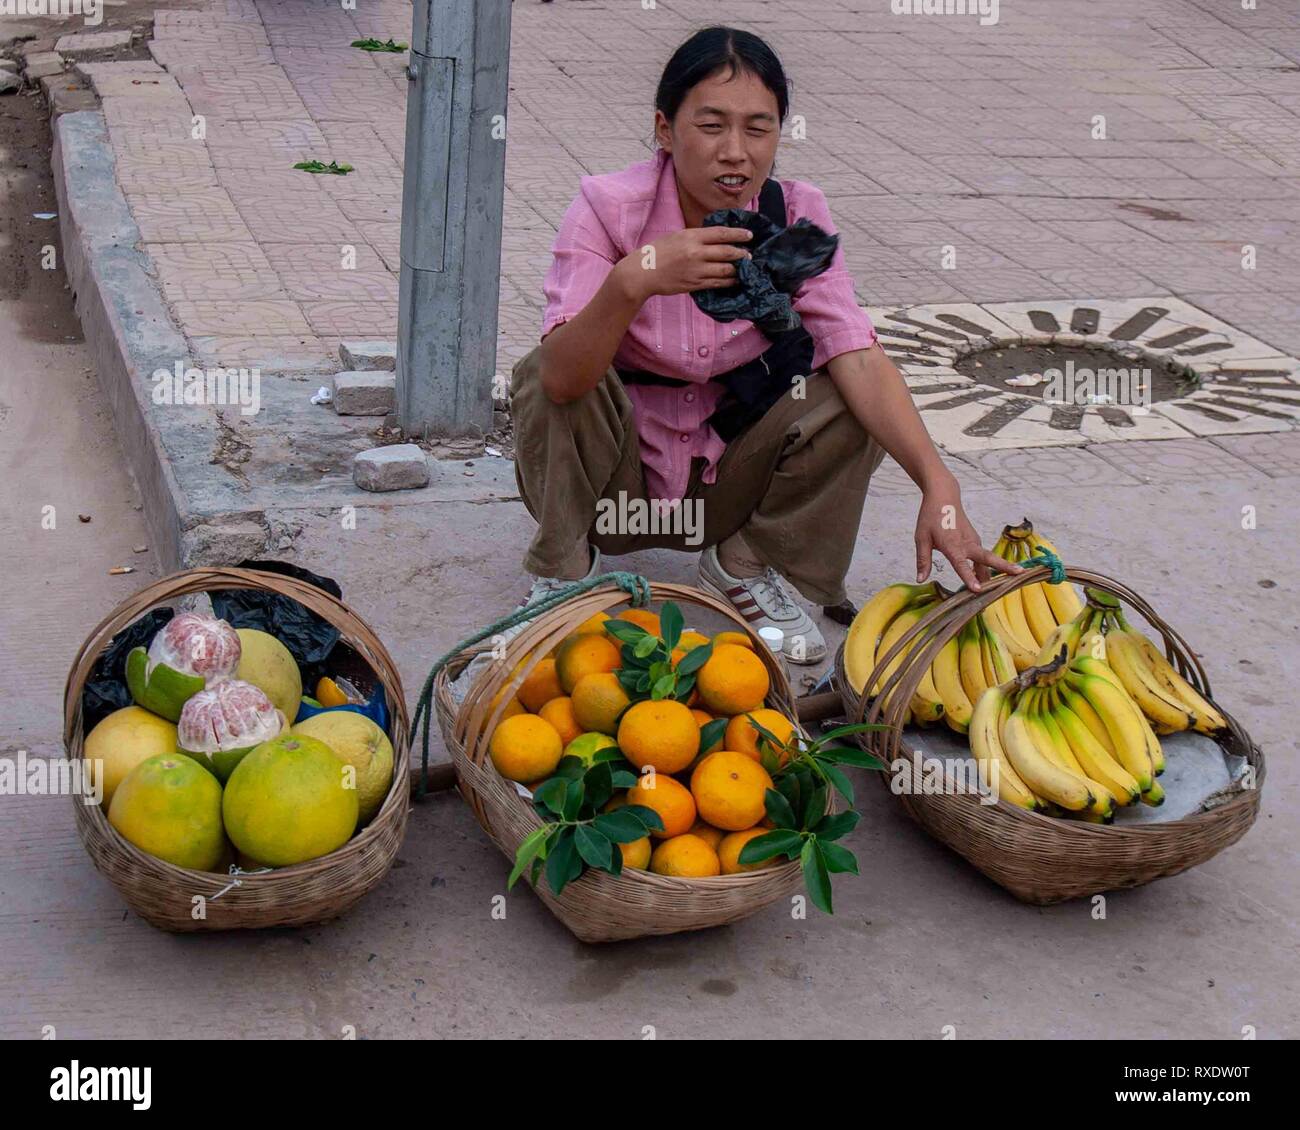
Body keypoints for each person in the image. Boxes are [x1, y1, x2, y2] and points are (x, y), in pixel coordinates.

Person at [509, 25, 1013, 663]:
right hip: (615, 493)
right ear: (665, 130)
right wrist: (634, 279)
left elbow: (856, 351)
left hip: (726, 484)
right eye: (711, 125)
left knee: (847, 396)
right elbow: (558, 379)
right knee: (546, 372)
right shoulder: (608, 208)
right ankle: (565, 574)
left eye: (759, 128)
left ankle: (744, 567)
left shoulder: (796, 218)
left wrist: (939, 485)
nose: (736, 153)